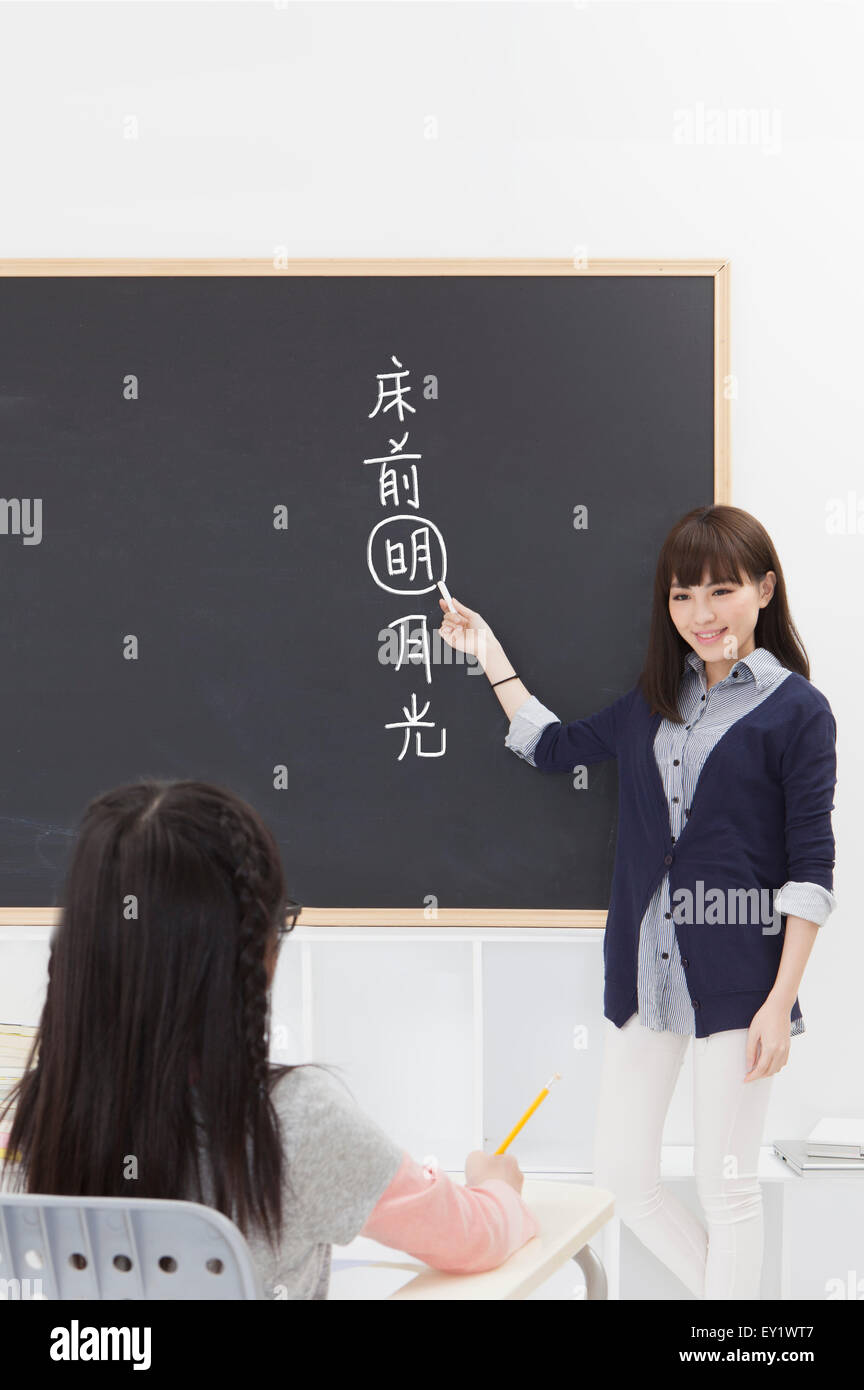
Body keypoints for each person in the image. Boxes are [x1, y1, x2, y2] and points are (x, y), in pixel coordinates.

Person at [437, 503, 837, 1300]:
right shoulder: (654, 701)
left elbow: (812, 869)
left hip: (742, 983)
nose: (702, 614)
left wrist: (779, 1002)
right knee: (623, 1174)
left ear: (764, 590)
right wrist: (488, 654)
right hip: (648, 975)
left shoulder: (798, 711)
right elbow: (552, 747)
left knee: (727, 1187)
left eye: (721, 591)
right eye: (682, 596)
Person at [0, 780, 538, 1299]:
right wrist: (497, 1188)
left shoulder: (35, 1119)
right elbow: (474, 1238)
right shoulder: (293, 1122)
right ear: (254, 955)